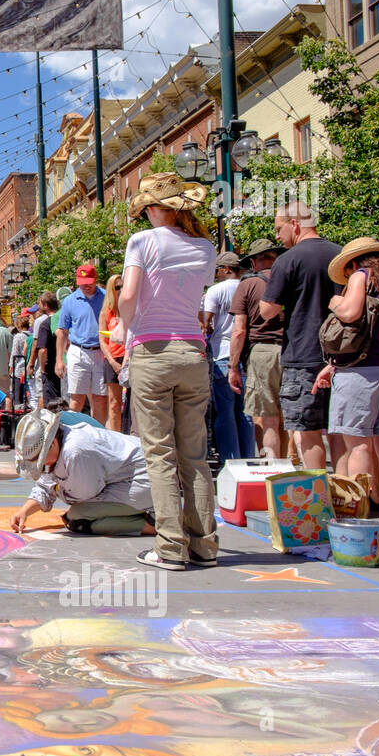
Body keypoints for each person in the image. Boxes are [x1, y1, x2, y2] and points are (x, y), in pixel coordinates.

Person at [117, 173, 218, 571]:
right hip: (193, 350)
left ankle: (171, 548)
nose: (144, 216)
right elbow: (196, 300)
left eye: (146, 209)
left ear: (157, 209)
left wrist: (127, 328)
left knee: (159, 452)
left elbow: (128, 295)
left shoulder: (143, 242)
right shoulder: (206, 248)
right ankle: (205, 545)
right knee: (194, 453)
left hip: (152, 349)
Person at [313, 238, 379, 538]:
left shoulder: (360, 277)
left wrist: (335, 302)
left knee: (358, 446)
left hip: (359, 375)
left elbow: (350, 314)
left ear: (353, 262)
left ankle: (359, 518)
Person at [260, 201, 343, 471]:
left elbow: (267, 310)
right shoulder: (341, 255)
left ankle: (318, 498)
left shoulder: (288, 259)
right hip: (341, 355)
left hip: (303, 354)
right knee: (338, 432)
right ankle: (349, 496)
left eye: (279, 228)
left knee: (308, 432)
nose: (277, 236)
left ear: (294, 224)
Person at [10, 409, 156, 537]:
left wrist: (57, 489)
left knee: (77, 518)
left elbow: (83, 496)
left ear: (52, 443)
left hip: (146, 480)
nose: (41, 467)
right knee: (78, 516)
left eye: (40, 462)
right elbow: (46, 484)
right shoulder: (57, 446)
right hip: (131, 476)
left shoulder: (75, 452)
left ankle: (152, 524)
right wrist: (24, 511)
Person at [228, 239, 285, 459]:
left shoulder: (249, 284)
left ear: (253, 261)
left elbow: (239, 330)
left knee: (265, 418)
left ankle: (270, 469)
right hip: (293, 351)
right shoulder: (289, 280)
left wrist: (233, 367)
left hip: (262, 352)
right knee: (285, 418)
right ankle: (285, 469)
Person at [203, 251, 255, 468]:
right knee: (245, 411)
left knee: (225, 411)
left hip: (222, 353)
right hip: (246, 353)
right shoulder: (250, 287)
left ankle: (230, 461)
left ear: (225, 269)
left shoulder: (216, 291)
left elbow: (206, 323)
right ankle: (248, 457)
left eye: (217, 270)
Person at [57, 263, 108, 423]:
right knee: (77, 398)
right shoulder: (70, 301)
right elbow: (62, 331)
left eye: (89, 282)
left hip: (101, 351)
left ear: (95, 279)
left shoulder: (107, 297)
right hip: (78, 351)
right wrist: (59, 360)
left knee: (100, 398)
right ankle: (72, 433)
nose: (85, 286)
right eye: (82, 283)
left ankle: (98, 434)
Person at [98, 276, 127, 432]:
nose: (121, 290)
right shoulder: (106, 312)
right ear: (111, 290)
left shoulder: (130, 308)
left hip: (129, 357)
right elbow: (103, 341)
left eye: (123, 286)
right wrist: (113, 362)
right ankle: (117, 436)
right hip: (113, 359)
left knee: (133, 402)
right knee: (114, 402)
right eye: (117, 287)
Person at [34, 291, 61, 408]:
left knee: (51, 401)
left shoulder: (45, 324)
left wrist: (43, 367)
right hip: (65, 364)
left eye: (39, 303)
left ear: (46, 305)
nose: (38, 306)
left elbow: (42, 350)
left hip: (50, 366)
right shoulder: (63, 319)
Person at [10, 319, 30, 409]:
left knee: (18, 395)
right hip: (30, 367)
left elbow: (15, 353)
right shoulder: (33, 335)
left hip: (19, 368)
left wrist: (11, 366)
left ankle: (18, 412)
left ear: (19, 326)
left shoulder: (18, 337)